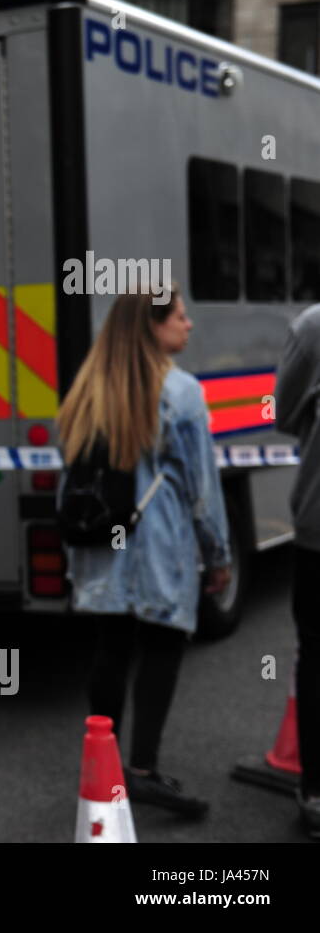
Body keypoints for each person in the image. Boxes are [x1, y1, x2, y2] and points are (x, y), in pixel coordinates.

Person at [57, 286, 230, 818]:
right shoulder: (180, 392)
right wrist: (218, 554)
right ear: (153, 326)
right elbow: (202, 490)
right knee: (162, 646)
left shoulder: (87, 389)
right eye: (180, 316)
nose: (189, 325)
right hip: (157, 547)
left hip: (104, 550)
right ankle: (144, 771)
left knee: (111, 648)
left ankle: (103, 769)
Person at [274, 301, 320, 838]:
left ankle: (315, 790)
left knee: (316, 654)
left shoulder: (312, 329)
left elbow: (284, 414)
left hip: (319, 527)